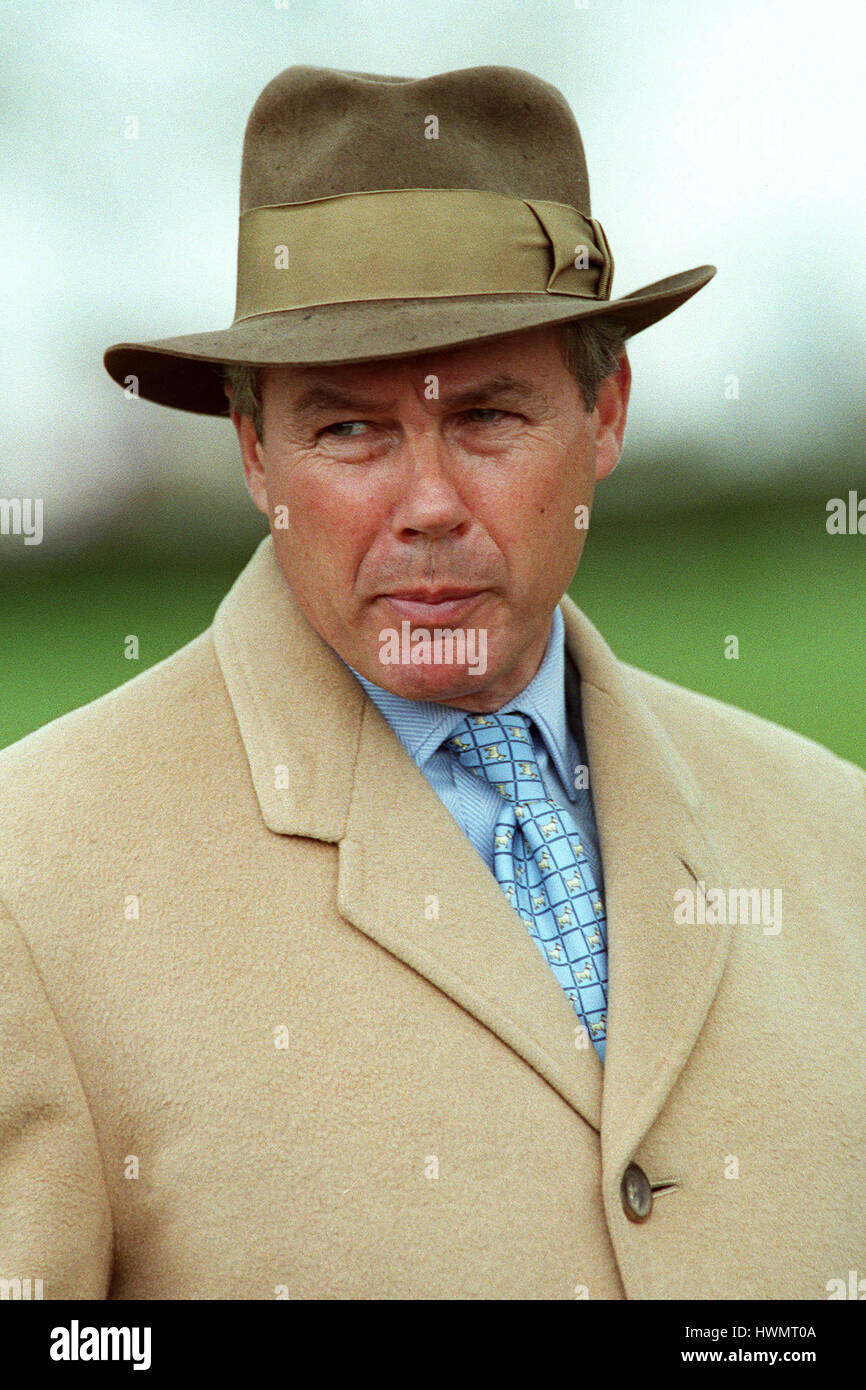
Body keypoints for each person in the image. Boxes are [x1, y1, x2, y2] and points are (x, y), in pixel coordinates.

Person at [1, 64, 863, 1301]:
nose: (426, 507)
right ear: (253, 451)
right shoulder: (27, 885)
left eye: (488, 417)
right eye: (347, 429)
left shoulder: (835, 832)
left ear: (605, 411)